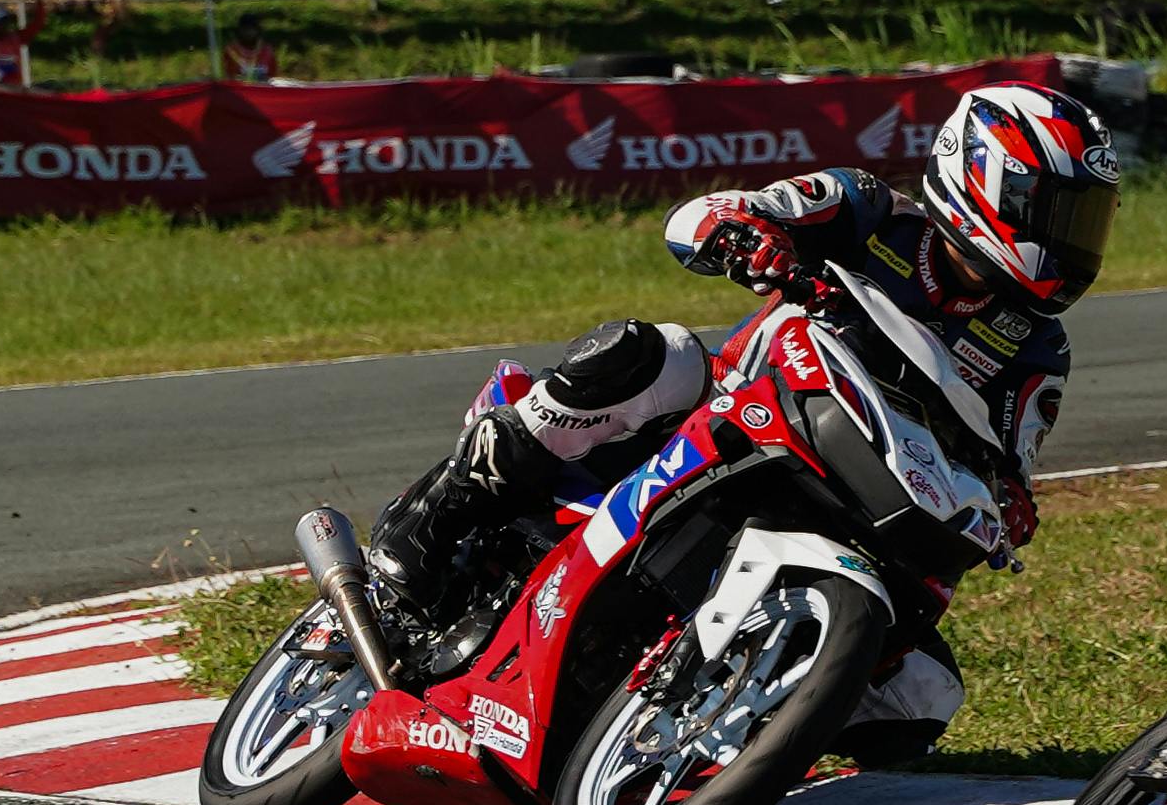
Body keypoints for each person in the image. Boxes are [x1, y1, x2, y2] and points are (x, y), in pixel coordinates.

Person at [364, 87, 1121, 681]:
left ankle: (732, 718)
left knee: (920, 690)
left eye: (1088, 221)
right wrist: (743, 232)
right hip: (728, 412)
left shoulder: (1037, 349)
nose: (1074, 241)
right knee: (653, 351)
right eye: (1059, 214)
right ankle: (437, 513)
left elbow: (1009, 468)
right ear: (988, 181)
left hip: (856, 493)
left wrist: (1014, 503)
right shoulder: (870, 212)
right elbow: (703, 216)